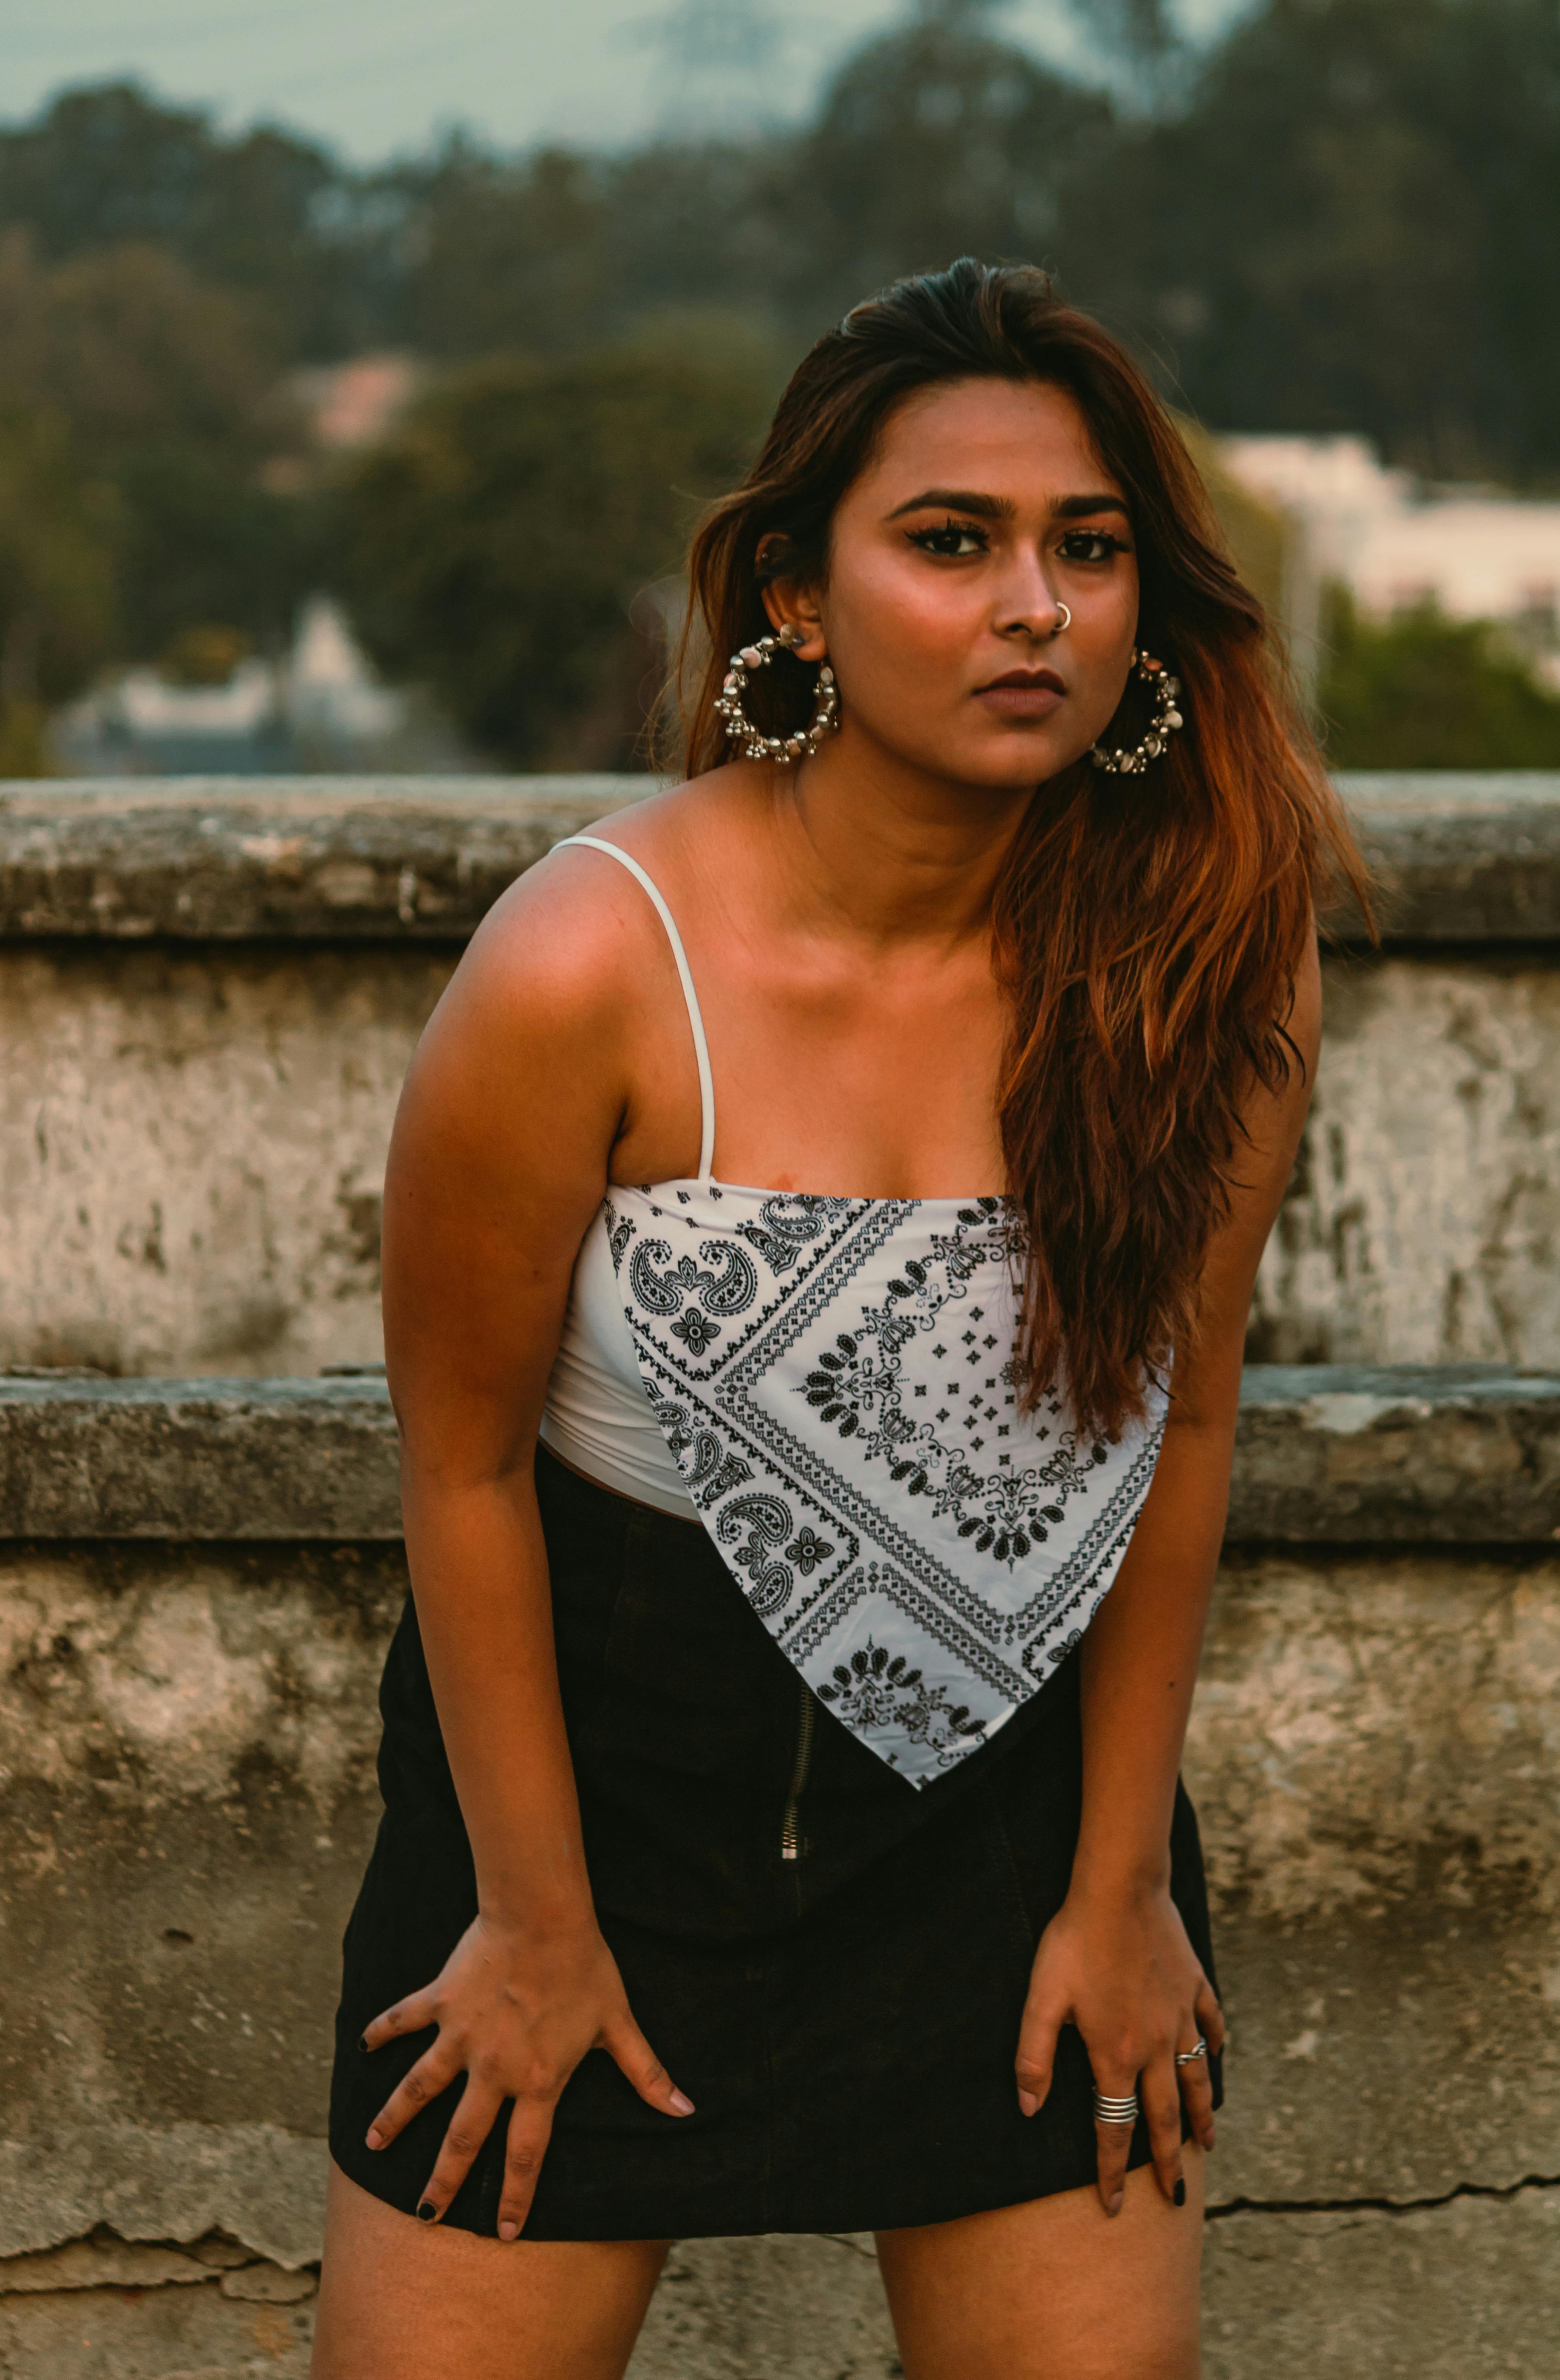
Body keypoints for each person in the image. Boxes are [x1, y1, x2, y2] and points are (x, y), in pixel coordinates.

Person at [312, 258, 1361, 2380]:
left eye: (1087, 550)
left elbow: (1185, 1434)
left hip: (1010, 1843)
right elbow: (463, 1461)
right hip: (589, 1820)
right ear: (795, 597)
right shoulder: (588, 964)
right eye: (949, 543)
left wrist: (1122, 1882)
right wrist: (525, 1921)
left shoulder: (1203, 969)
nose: (1034, 608)